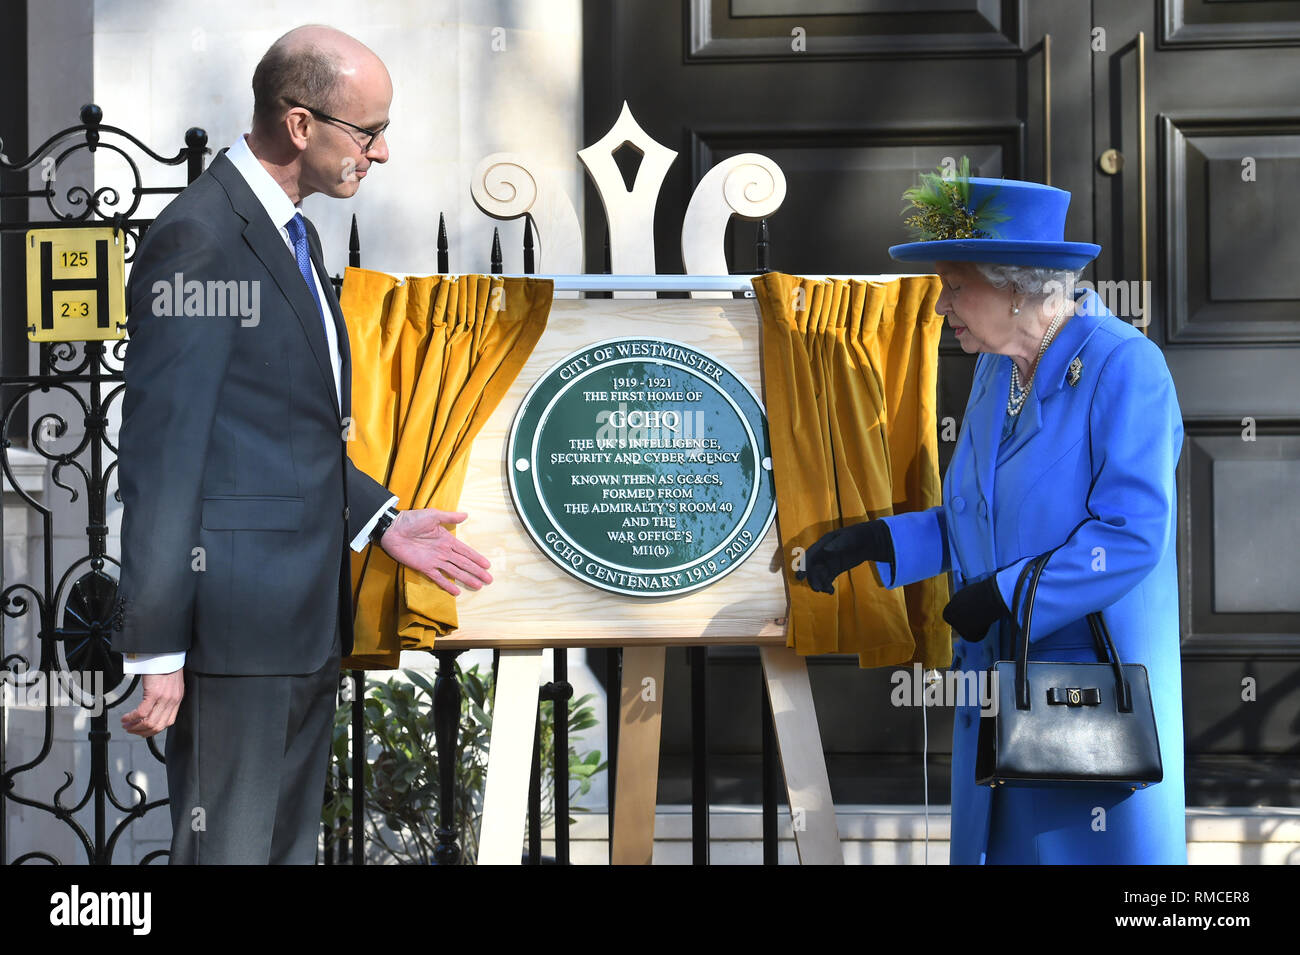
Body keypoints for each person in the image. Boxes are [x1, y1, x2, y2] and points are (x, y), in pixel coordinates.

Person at [113, 25, 494, 864]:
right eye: (368, 132)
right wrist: (159, 646)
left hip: (300, 622)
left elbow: (278, 423)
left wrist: (380, 518)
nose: (382, 153)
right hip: (235, 632)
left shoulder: (293, 231)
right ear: (299, 124)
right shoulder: (202, 238)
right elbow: (162, 454)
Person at [799, 174, 1186, 864]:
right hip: (1000, 694)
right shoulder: (993, 373)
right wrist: (882, 538)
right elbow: (978, 517)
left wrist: (1008, 593)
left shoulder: (1126, 366)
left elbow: (1129, 536)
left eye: (954, 284)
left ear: (1016, 287)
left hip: (1083, 698)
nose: (940, 302)